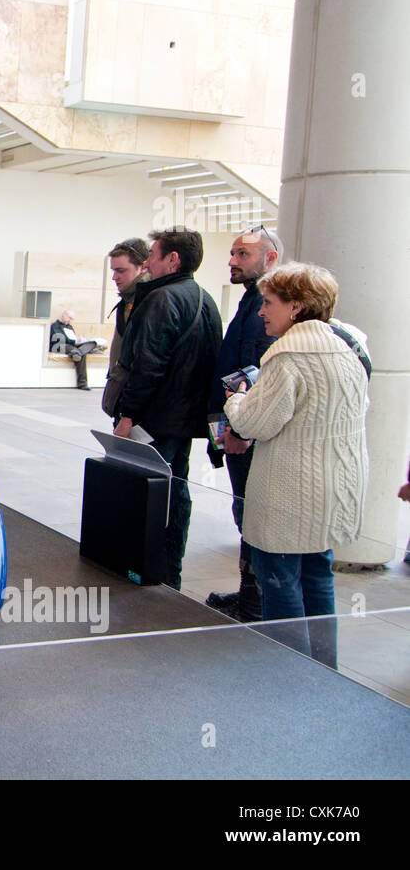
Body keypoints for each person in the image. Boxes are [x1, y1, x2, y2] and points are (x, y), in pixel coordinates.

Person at [223, 262, 369, 668]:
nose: (261, 311)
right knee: (318, 578)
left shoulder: (288, 356)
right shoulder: (349, 348)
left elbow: (253, 422)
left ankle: (289, 677)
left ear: (297, 306)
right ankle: (325, 670)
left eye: (269, 303)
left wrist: (236, 398)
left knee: (280, 582)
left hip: (289, 495)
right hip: (331, 491)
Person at [110, 227, 223, 589]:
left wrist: (127, 416)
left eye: (154, 255)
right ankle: (169, 569)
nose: (148, 262)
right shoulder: (206, 299)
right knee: (177, 491)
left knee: (151, 494)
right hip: (182, 421)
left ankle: (146, 568)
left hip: (155, 421)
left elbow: (148, 365)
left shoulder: (162, 300)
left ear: (173, 259)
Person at [205, 226, 283, 621]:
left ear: (270, 258)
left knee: (251, 515)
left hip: (243, 430)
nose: (232, 261)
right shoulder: (250, 302)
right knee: (243, 511)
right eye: (233, 253)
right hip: (230, 424)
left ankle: (254, 604)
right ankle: (248, 595)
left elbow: (256, 378)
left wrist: (238, 431)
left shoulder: (264, 308)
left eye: (242, 254)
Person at [105, 238, 149, 383]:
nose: (114, 277)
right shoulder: (128, 300)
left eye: (121, 271)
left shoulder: (150, 302)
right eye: (113, 271)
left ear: (143, 267)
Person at [48, 310, 105, 390]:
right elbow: (59, 339)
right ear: (64, 315)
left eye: (72, 319)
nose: (70, 320)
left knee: (90, 345)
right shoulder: (55, 326)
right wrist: (74, 341)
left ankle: (77, 353)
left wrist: (79, 340)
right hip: (59, 346)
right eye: (69, 318)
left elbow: (73, 338)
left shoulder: (69, 327)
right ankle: (77, 353)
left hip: (72, 346)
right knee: (73, 349)